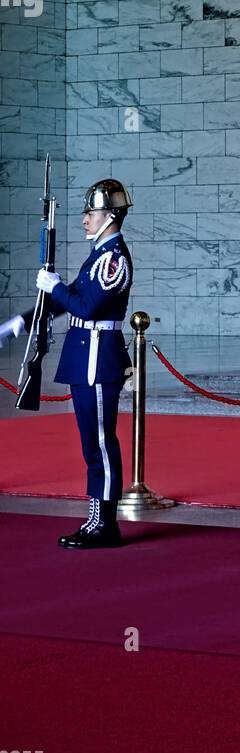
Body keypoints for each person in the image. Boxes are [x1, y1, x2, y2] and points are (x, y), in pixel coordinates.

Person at [0, 179, 134, 549]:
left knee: (102, 443)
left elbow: (86, 305)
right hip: (82, 355)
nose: (85, 220)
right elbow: (67, 301)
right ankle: (96, 516)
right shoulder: (97, 257)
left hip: (98, 358)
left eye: (90, 213)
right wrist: (21, 322)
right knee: (91, 443)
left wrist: (56, 286)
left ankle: (105, 523)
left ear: (109, 216)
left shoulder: (114, 259)